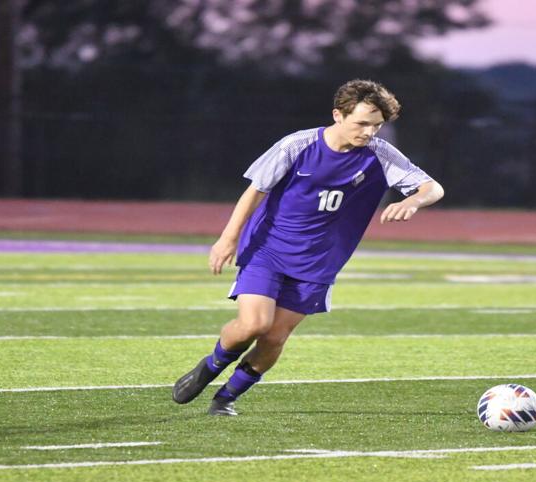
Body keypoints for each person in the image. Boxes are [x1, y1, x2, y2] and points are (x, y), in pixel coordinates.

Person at [173, 79, 444, 415]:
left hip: (320, 263)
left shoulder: (380, 154)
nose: (369, 132)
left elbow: (434, 188)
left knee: (274, 337)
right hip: (269, 249)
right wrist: (228, 237)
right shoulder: (297, 145)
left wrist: (415, 201)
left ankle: (226, 399)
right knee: (254, 325)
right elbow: (255, 192)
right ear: (338, 115)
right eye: (361, 123)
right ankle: (211, 366)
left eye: (377, 125)